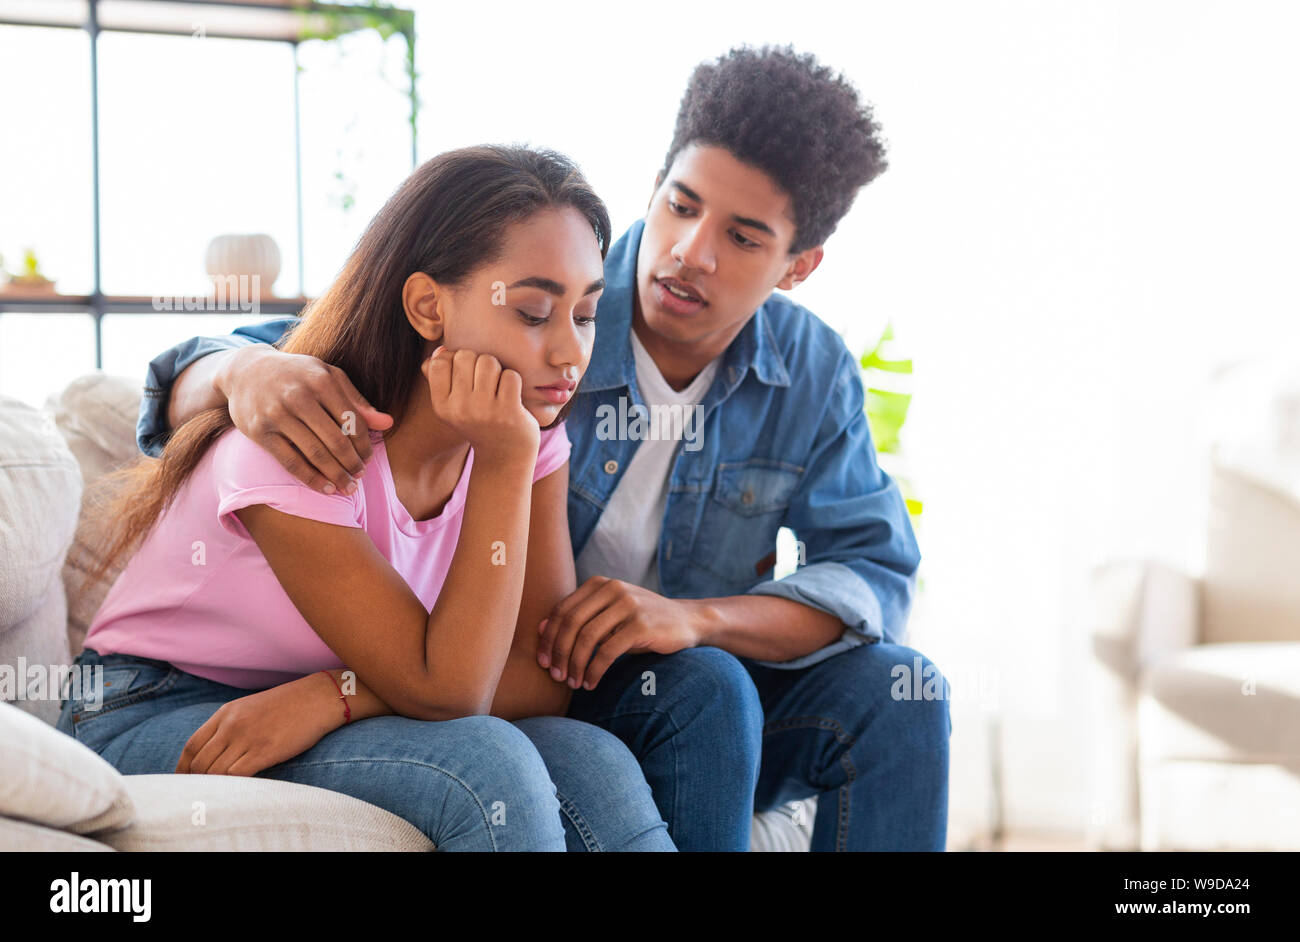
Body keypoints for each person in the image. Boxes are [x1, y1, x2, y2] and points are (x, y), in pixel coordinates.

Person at [140, 45, 951, 852]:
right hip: (550, 671)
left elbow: (870, 577)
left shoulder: (810, 372)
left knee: (896, 696)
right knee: (706, 689)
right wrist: (243, 369)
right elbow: (310, 354)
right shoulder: (544, 285)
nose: (690, 251)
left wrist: (693, 618)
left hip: (656, 680)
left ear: (798, 265)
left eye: (742, 237)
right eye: (681, 204)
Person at [58, 144, 676, 852]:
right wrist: (505, 460)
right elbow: (450, 694)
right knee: (486, 767)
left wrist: (335, 695)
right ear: (426, 306)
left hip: (328, 690)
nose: (570, 354)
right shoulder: (301, 441)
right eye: (535, 313)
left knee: (593, 762)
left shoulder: (529, 429)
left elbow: (538, 675)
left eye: (587, 315)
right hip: (152, 705)